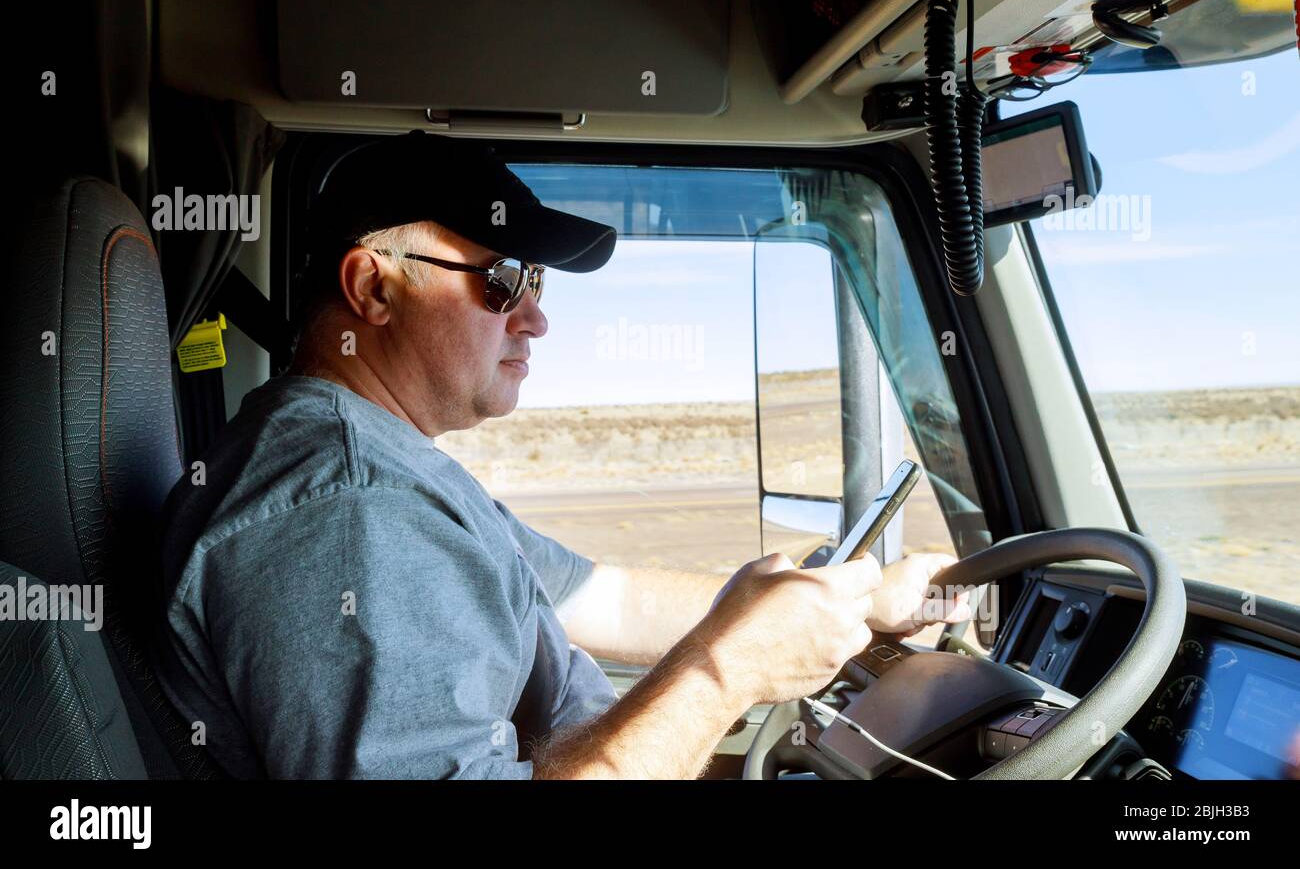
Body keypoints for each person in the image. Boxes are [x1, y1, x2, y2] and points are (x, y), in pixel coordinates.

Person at [153, 132, 970, 779]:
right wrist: (730, 670)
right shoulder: (348, 513)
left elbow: (603, 599)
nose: (536, 318)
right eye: (504, 278)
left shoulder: (391, 469)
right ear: (373, 289)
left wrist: (850, 601)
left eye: (537, 283)